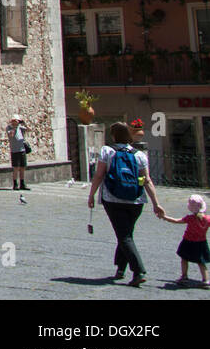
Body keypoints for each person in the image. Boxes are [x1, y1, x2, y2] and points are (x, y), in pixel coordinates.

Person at [89, 121, 164, 287]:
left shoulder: (107, 151)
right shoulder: (139, 155)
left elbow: (99, 175)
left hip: (113, 199)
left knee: (124, 236)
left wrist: (91, 195)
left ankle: (139, 271)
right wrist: (156, 203)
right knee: (126, 233)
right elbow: (146, 180)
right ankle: (120, 269)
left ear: (114, 136)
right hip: (136, 200)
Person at [157, 194, 210, 287]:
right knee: (201, 262)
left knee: (184, 259)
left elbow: (176, 221)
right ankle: (206, 280)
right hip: (201, 242)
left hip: (188, 242)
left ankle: (184, 277)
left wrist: (164, 217)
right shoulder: (208, 219)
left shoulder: (189, 218)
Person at [7, 116, 30, 190]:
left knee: (22, 167)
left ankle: (22, 183)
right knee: (16, 168)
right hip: (14, 150)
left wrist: (24, 123)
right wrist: (14, 127)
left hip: (22, 150)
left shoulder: (20, 128)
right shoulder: (9, 128)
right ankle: (15, 184)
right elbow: (11, 135)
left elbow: (29, 130)